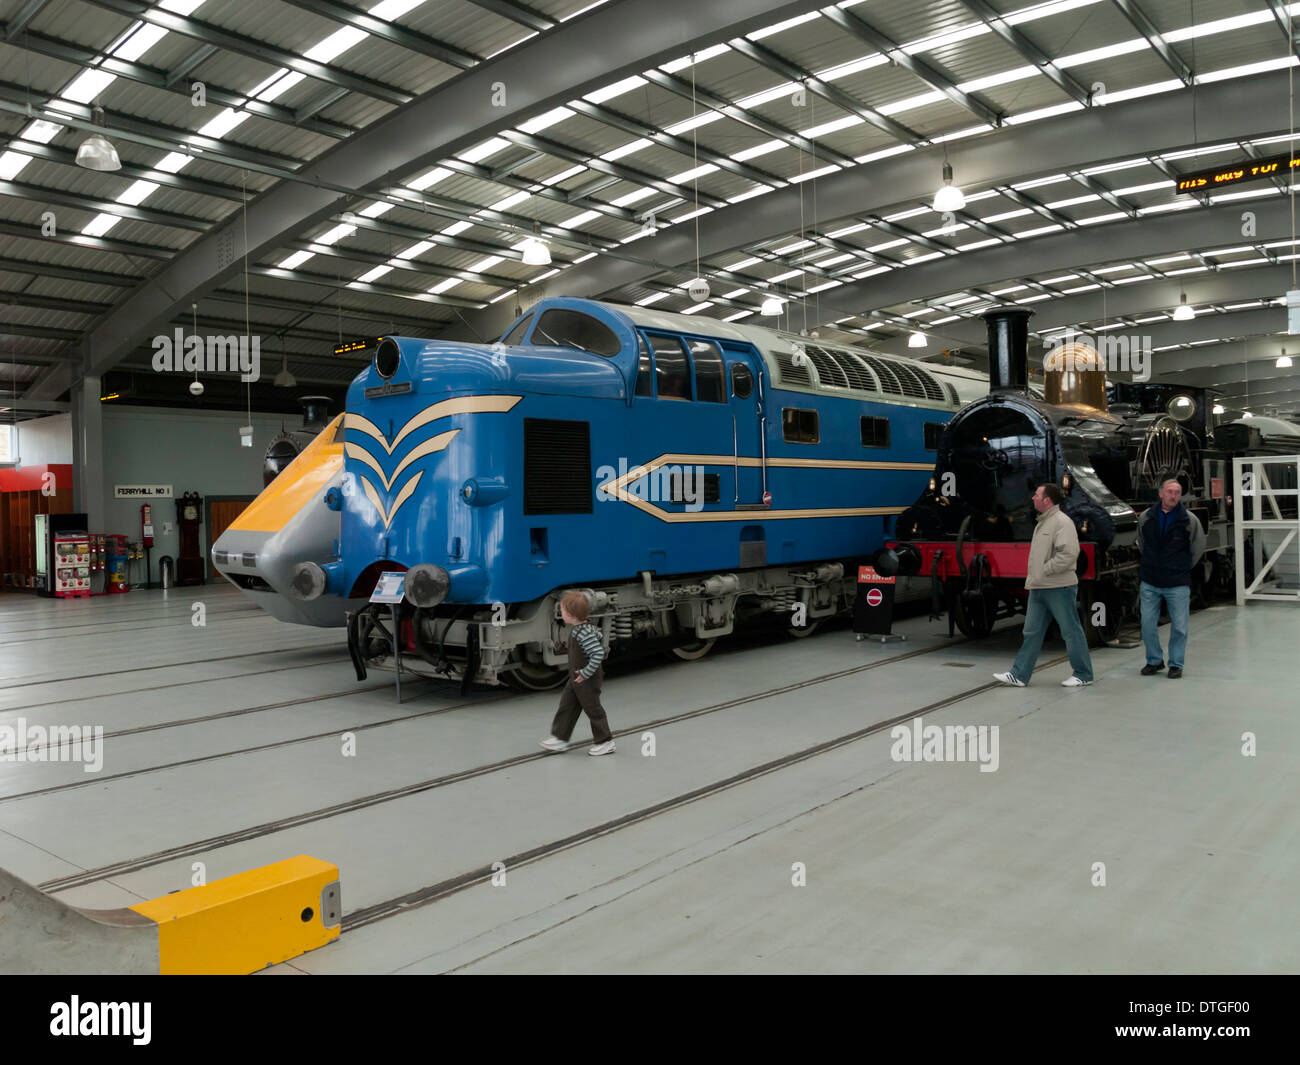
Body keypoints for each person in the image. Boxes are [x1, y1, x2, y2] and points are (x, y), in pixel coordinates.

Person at [994, 482, 1095, 688]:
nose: (1033, 498)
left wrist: (1046, 570)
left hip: (1058, 587)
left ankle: (1083, 674)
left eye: (1037, 494)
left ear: (1047, 500)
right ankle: (1019, 674)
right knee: (1031, 632)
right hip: (1039, 587)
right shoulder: (1044, 522)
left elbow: (1068, 554)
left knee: (1070, 631)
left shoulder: (1061, 522)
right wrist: (1039, 575)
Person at [1137, 478, 1205, 680]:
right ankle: (1154, 660)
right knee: (1147, 623)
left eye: (1177, 492)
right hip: (1150, 580)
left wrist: (1182, 566)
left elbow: (1198, 546)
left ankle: (1176, 664)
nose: (1173, 495)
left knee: (1180, 626)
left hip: (1177, 581)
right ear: (1161, 493)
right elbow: (1142, 543)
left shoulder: (1189, 520)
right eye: (1169, 491)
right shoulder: (1146, 517)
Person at [540, 591, 616, 755]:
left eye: (562, 611)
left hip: (587, 679)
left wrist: (586, 672)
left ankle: (606, 741)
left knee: (593, 709)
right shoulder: (580, 629)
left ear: (570, 614)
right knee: (567, 705)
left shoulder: (584, 633)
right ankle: (560, 738)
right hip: (577, 677)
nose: (561, 614)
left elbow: (597, 654)